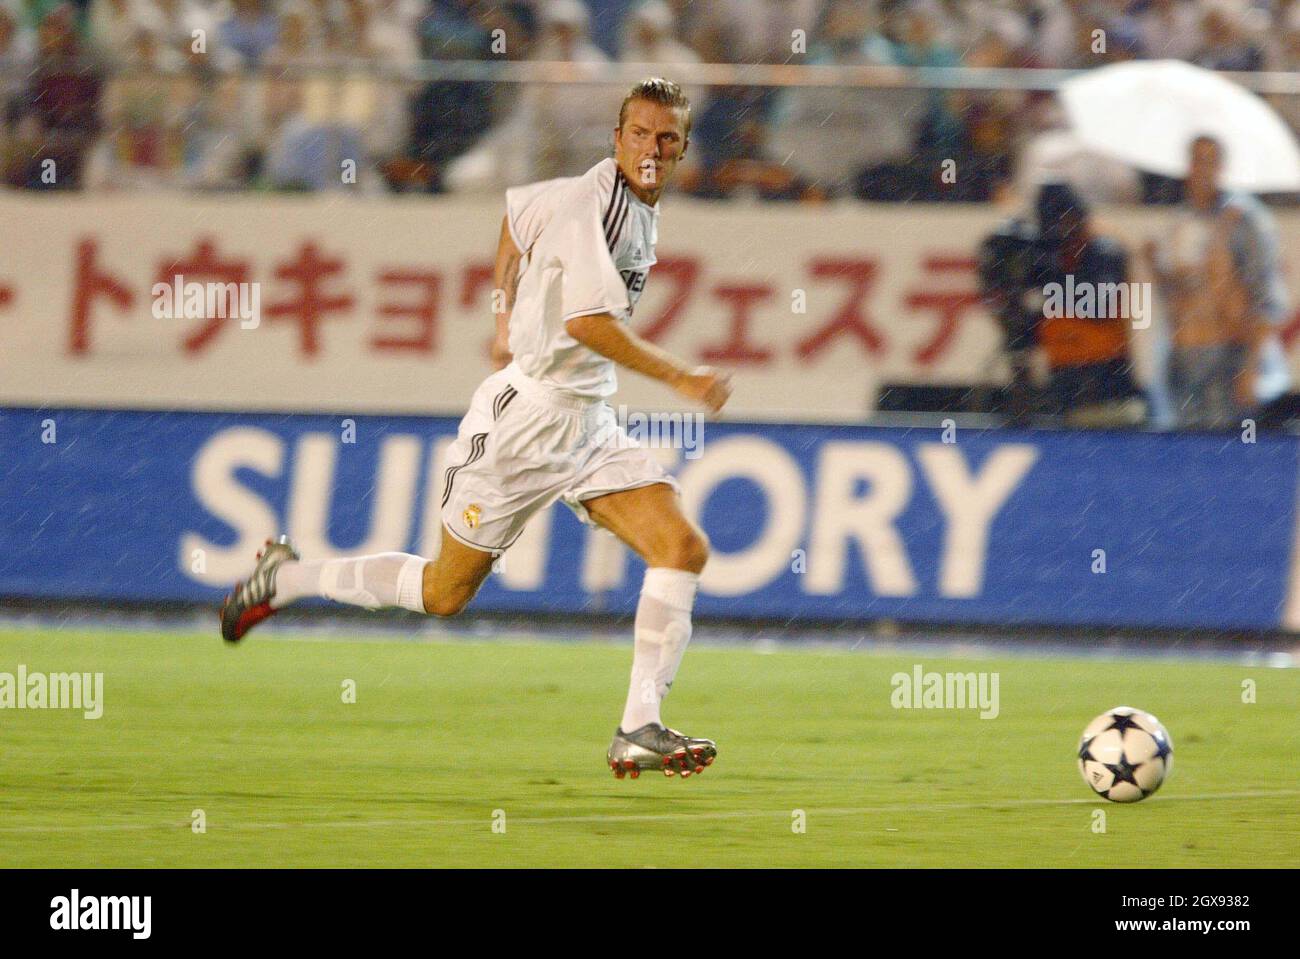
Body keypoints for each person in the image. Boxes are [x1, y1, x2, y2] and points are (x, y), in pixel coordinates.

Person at [220, 78, 733, 781]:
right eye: (639, 134)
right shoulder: (599, 207)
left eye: (666, 138)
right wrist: (681, 378)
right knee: (443, 594)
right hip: (523, 424)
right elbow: (587, 321)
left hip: (587, 422)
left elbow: (514, 220)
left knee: (681, 545)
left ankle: (638, 724)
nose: (651, 148)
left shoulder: (599, 199)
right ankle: (288, 577)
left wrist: (502, 317)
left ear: (683, 149)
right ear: (616, 139)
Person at [1146, 135, 1290, 430]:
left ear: (1221, 167)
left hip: (1228, 359)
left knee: (1229, 454)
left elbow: (1265, 298)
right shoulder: (1179, 222)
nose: (1201, 170)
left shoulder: (1243, 222)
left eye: (1209, 161)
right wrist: (1155, 268)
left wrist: (1251, 368)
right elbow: (1176, 297)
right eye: (1196, 160)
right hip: (1184, 359)